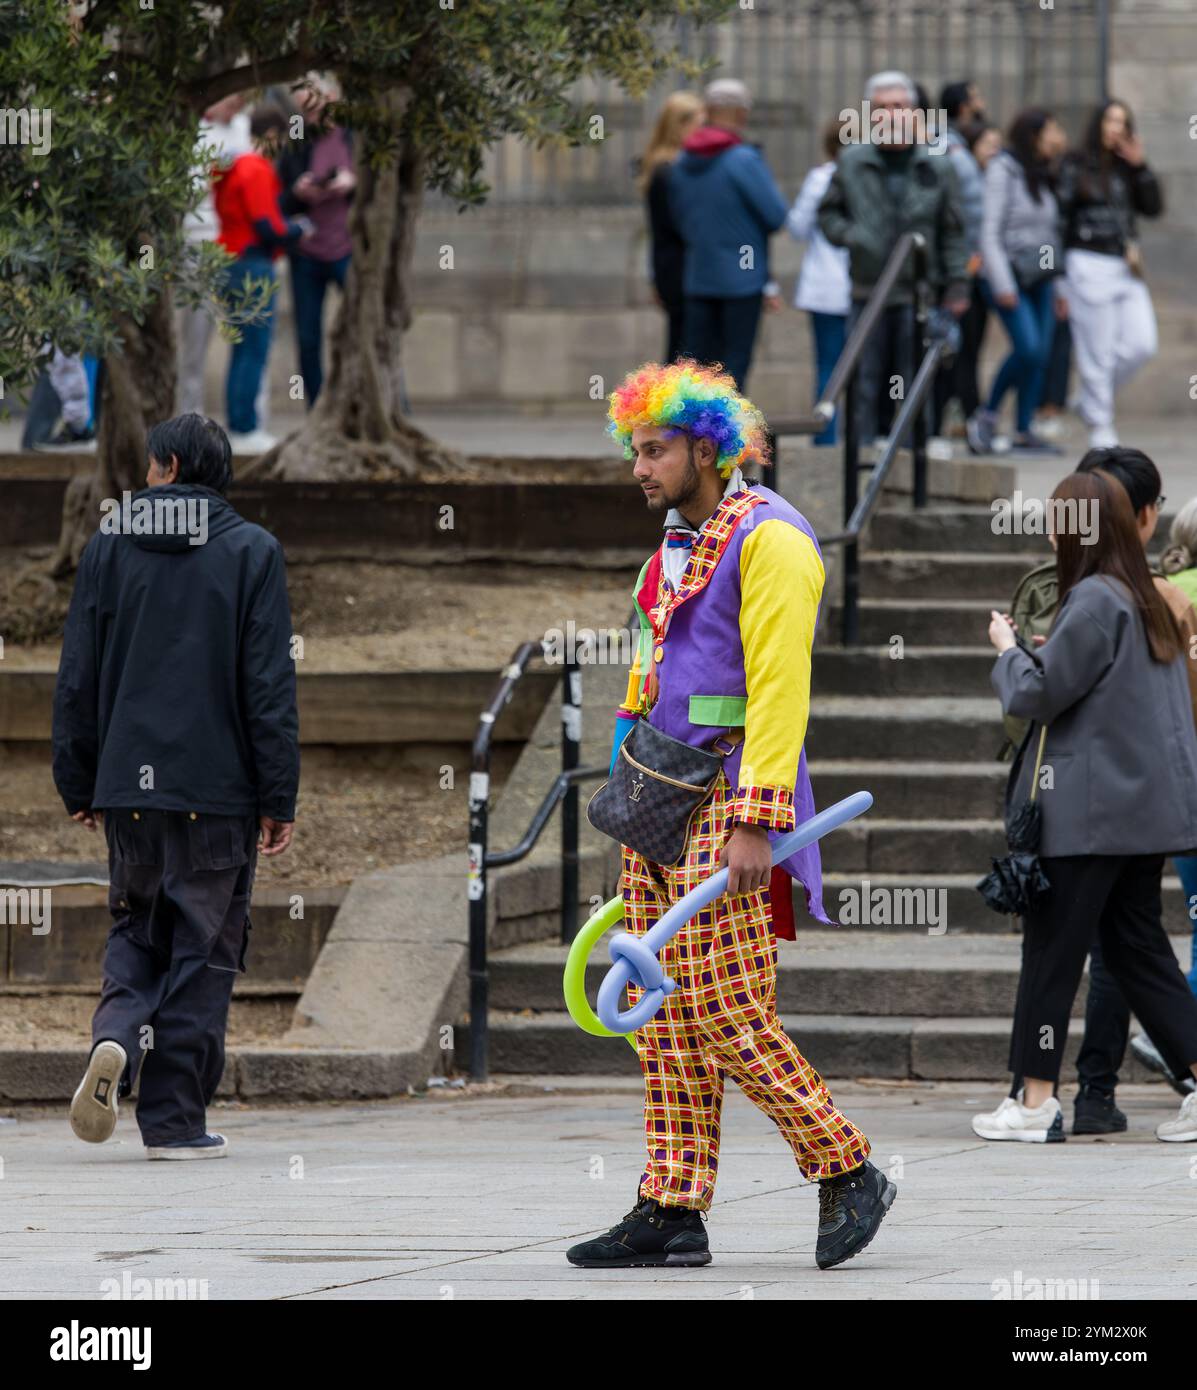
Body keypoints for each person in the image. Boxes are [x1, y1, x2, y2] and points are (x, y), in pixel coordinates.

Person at [566, 360, 897, 1271]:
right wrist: (624, 785)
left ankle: (846, 1165)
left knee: (723, 1006)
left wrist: (757, 815)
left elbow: (782, 690)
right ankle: (671, 1205)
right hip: (655, 794)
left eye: (655, 449)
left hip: (727, 798)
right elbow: (651, 676)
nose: (639, 466)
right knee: (660, 1009)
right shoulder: (672, 546)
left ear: (707, 447)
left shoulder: (773, 539)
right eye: (634, 449)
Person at [53, 413, 300, 1159]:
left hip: (127, 784)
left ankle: (116, 1036)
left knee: (135, 928)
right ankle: (173, 1122)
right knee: (202, 947)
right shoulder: (253, 551)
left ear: (163, 466)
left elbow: (78, 676)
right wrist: (276, 795)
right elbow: (267, 686)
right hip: (216, 792)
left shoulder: (107, 546)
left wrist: (78, 777)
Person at [976, 467, 1197, 1145]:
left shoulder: (1095, 599)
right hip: (1138, 810)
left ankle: (1036, 1101)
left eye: (1056, 517)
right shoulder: (1144, 597)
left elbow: (1037, 696)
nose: (1048, 528)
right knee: (1137, 950)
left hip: (1086, 812)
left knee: (1051, 952)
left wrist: (1008, 651)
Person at [818, 71, 969, 450]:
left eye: (898, 106)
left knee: (913, 375)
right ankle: (860, 449)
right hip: (867, 287)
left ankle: (915, 453)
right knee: (865, 377)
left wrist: (957, 283)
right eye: (882, 107)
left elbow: (952, 227)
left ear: (914, 112)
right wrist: (854, 237)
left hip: (919, 289)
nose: (891, 114)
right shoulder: (852, 160)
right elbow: (828, 214)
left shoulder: (936, 162)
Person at [668, 78, 788, 391]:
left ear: (707, 111)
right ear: (742, 114)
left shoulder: (681, 162)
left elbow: (678, 219)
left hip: (698, 277)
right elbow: (776, 215)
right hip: (742, 280)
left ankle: (694, 435)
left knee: (697, 369)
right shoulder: (743, 160)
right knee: (734, 366)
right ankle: (725, 437)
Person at [1057, 99, 1163, 449]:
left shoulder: (1127, 167)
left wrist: (1141, 166)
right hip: (1087, 260)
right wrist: (1057, 275)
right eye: (1110, 120)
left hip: (1124, 263)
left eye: (1123, 122)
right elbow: (1059, 218)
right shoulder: (1075, 164)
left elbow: (1153, 208)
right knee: (1096, 351)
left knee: (1141, 344)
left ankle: (1090, 399)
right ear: (1098, 123)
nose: (1116, 128)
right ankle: (1101, 428)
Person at [967, 109, 1067, 457]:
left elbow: (1050, 234)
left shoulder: (1041, 173)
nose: (1056, 137)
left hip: (1041, 276)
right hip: (1010, 273)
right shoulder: (1002, 170)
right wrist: (1003, 284)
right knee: (1028, 348)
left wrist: (1059, 286)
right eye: (1051, 130)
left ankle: (1024, 429)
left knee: (1040, 355)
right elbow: (989, 232)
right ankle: (987, 415)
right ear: (1033, 135)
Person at [213, 103, 312, 452]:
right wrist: (298, 230)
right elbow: (267, 226)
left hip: (230, 259)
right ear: (270, 136)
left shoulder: (232, 166)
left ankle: (240, 423)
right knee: (254, 348)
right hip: (251, 263)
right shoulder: (254, 168)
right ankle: (244, 426)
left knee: (242, 348)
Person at [277, 75, 356, 407]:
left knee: (364, 324)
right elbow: (280, 199)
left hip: (349, 247)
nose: (312, 117)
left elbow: (381, 194)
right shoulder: (296, 139)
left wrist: (353, 183)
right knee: (308, 337)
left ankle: (377, 403)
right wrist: (299, 190)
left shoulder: (355, 137)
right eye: (304, 112)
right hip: (307, 252)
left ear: (332, 97)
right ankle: (318, 408)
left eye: (316, 107)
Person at [178, 95, 252, 417]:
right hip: (198, 242)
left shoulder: (243, 127)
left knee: (250, 334)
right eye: (232, 99)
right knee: (194, 340)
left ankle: (249, 421)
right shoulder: (191, 129)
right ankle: (189, 418)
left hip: (237, 244)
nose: (236, 105)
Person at [931, 90, 993, 437]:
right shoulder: (948, 147)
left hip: (964, 268)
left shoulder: (953, 147)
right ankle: (941, 429)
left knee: (960, 352)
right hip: (956, 269)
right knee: (949, 355)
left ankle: (959, 422)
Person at [786, 120, 851, 445]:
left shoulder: (820, 178)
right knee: (865, 368)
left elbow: (797, 227)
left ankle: (826, 439)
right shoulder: (873, 179)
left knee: (828, 365)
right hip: (863, 286)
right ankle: (863, 437)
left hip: (826, 287)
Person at [637, 92, 704, 364]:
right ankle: (674, 406)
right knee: (684, 351)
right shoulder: (671, 169)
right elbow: (679, 224)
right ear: (681, 125)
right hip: (681, 269)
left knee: (682, 347)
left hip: (670, 267)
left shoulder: (661, 166)